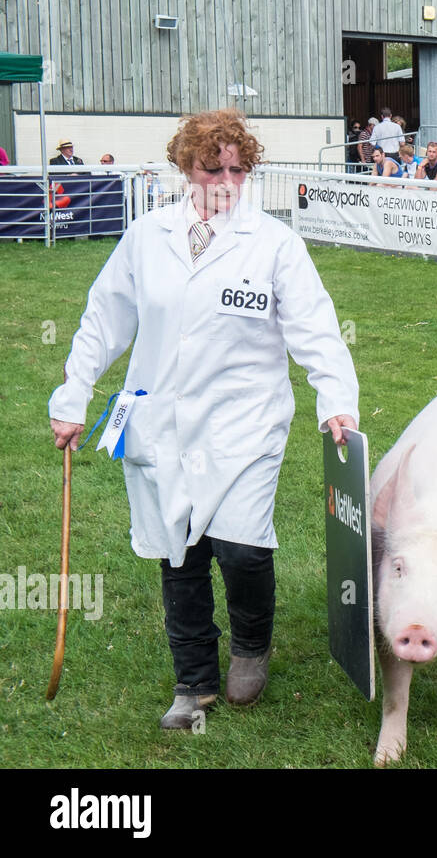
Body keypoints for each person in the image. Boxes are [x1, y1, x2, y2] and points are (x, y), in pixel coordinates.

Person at [48, 108, 359, 728]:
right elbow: (105, 318)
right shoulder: (146, 236)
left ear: (249, 172)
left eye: (236, 169)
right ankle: (193, 682)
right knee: (179, 554)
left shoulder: (275, 244)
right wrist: (72, 394)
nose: (223, 179)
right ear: (184, 167)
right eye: (208, 167)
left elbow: (317, 329)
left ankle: (250, 645)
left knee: (241, 549)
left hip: (246, 426)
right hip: (162, 423)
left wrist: (337, 400)